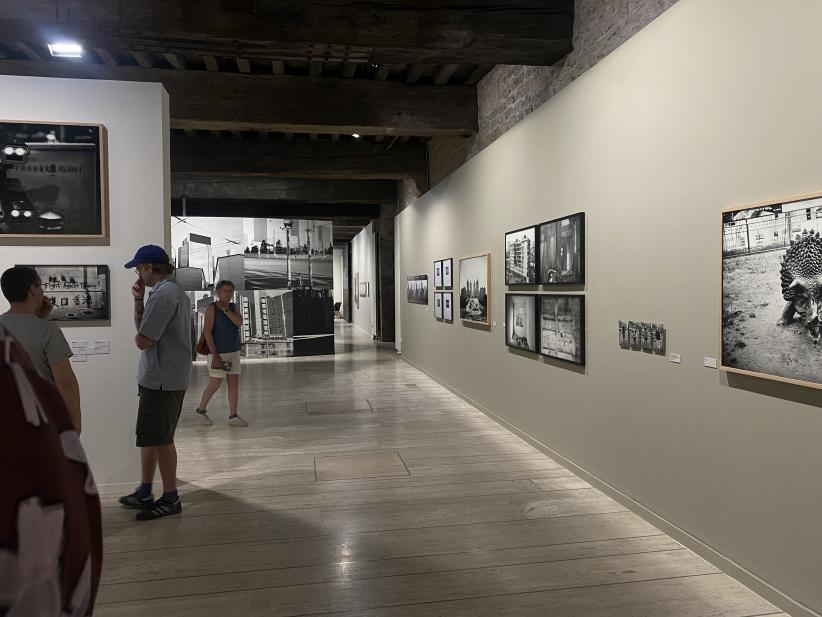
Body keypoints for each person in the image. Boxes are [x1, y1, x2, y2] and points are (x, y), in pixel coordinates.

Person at [118, 245, 192, 521]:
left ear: (149, 267)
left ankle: (171, 498)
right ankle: (145, 490)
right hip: (162, 376)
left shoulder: (164, 295)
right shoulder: (169, 292)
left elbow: (144, 340)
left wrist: (140, 331)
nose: (139, 274)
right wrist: (138, 300)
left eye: (139, 268)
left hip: (162, 379)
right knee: (151, 436)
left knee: (161, 438)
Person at [0, 266, 81, 433]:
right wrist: (74, 421)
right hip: (39, 417)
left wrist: (39, 318)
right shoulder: (48, 330)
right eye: (40, 285)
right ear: (33, 289)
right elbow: (65, 382)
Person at [195, 279, 248, 427]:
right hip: (219, 353)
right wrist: (215, 355)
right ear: (218, 292)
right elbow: (207, 332)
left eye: (231, 291)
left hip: (233, 351)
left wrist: (226, 310)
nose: (228, 294)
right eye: (225, 291)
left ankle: (233, 415)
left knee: (233, 384)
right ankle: (200, 410)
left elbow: (238, 322)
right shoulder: (211, 308)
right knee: (215, 383)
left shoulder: (233, 307)